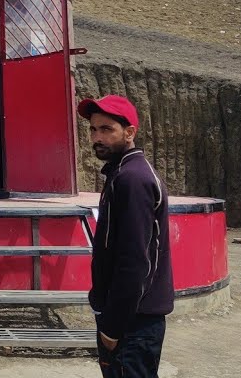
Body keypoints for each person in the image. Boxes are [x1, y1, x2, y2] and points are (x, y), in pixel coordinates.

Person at [80, 95, 173, 378]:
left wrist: (113, 326)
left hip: (133, 322)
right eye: (94, 129)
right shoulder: (122, 174)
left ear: (130, 132)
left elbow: (135, 262)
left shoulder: (133, 180)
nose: (97, 137)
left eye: (107, 129)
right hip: (128, 317)